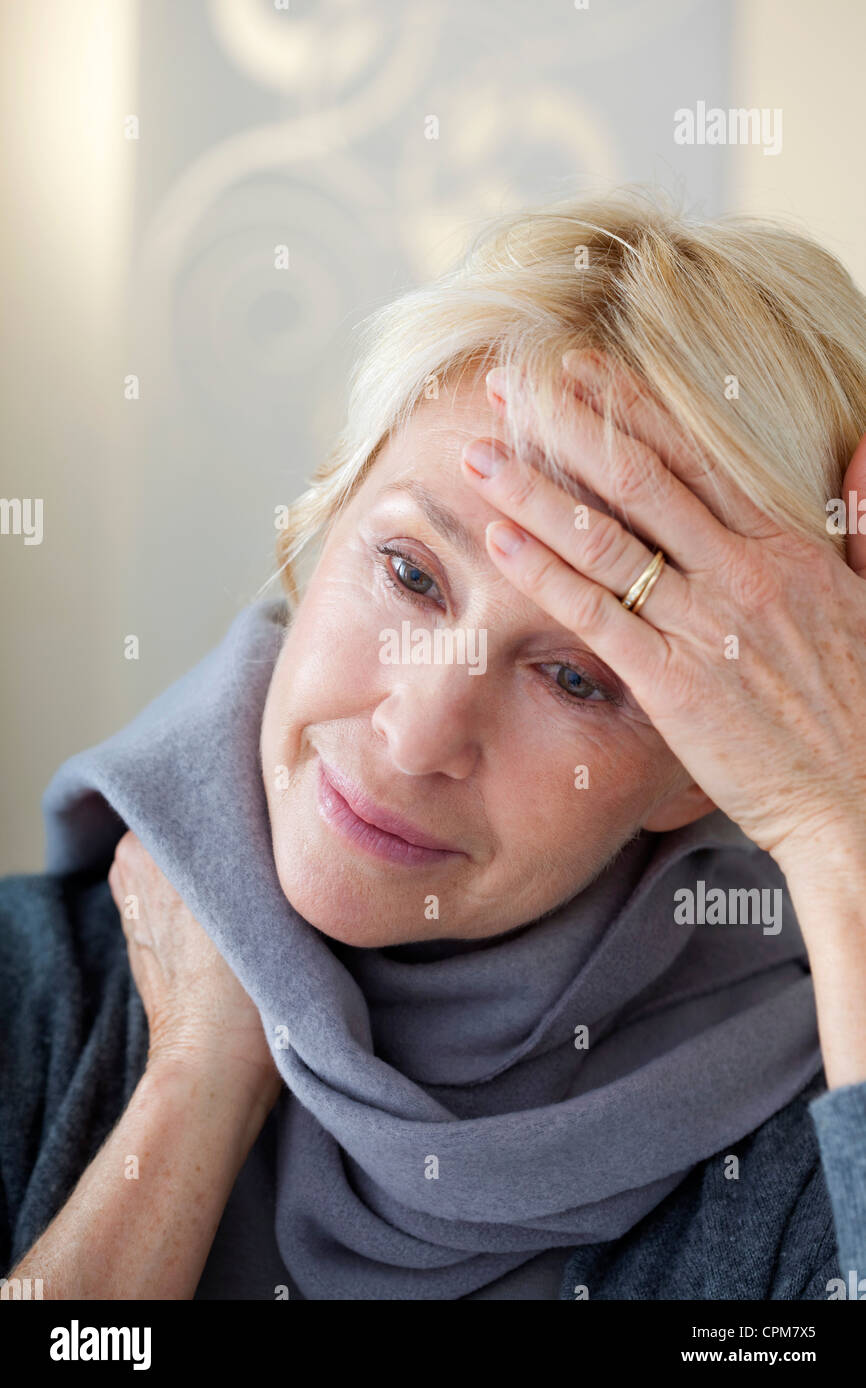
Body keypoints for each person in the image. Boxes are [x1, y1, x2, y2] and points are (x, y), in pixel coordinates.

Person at [3, 187, 866, 1300]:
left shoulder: (797, 1142)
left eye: (574, 678)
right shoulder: (37, 993)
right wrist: (194, 1090)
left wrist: (837, 819)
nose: (416, 738)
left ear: (701, 775)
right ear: (321, 523)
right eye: (409, 573)